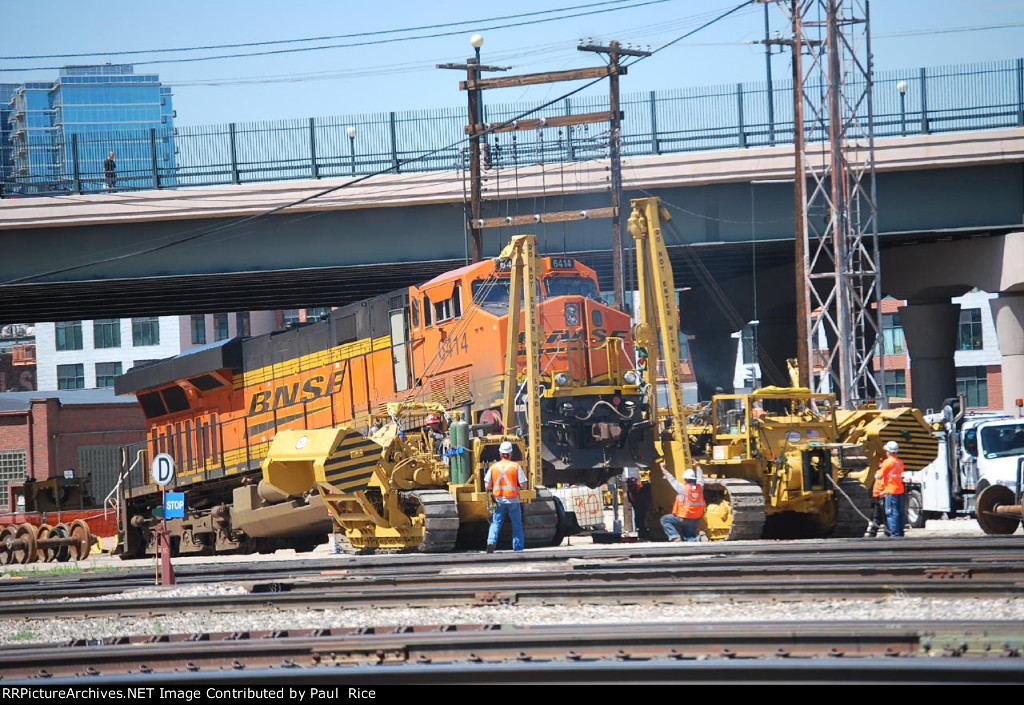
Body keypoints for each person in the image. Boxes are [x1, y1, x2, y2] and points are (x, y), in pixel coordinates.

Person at [485, 440, 528, 553]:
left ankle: (491, 541)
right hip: (513, 500)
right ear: (511, 454)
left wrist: (495, 487)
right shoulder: (516, 466)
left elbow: (487, 485)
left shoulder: (494, 467)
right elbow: (523, 485)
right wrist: (519, 486)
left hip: (498, 500)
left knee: (496, 523)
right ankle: (518, 548)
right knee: (517, 525)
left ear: (500, 453)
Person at [659, 462, 705, 542]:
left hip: (684, 517)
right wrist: (698, 467)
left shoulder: (682, 488)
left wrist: (663, 469)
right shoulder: (700, 487)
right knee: (689, 537)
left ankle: (675, 537)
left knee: (665, 520)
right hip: (696, 519)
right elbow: (701, 478)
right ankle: (696, 539)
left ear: (685, 479)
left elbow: (672, 480)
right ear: (694, 479)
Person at [878, 440, 906, 537]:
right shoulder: (900, 462)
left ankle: (895, 534)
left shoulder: (887, 463)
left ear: (889, 452)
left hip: (891, 491)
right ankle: (900, 532)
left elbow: (879, 476)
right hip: (900, 489)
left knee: (891, 513)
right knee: (900, 511)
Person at [866, 462, 890, 538]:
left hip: (883, 496)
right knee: (876, 517)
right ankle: (872, 534)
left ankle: (886, 533)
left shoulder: (885, 470)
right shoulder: (879, 470)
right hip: (878, 496)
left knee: (884, 516)